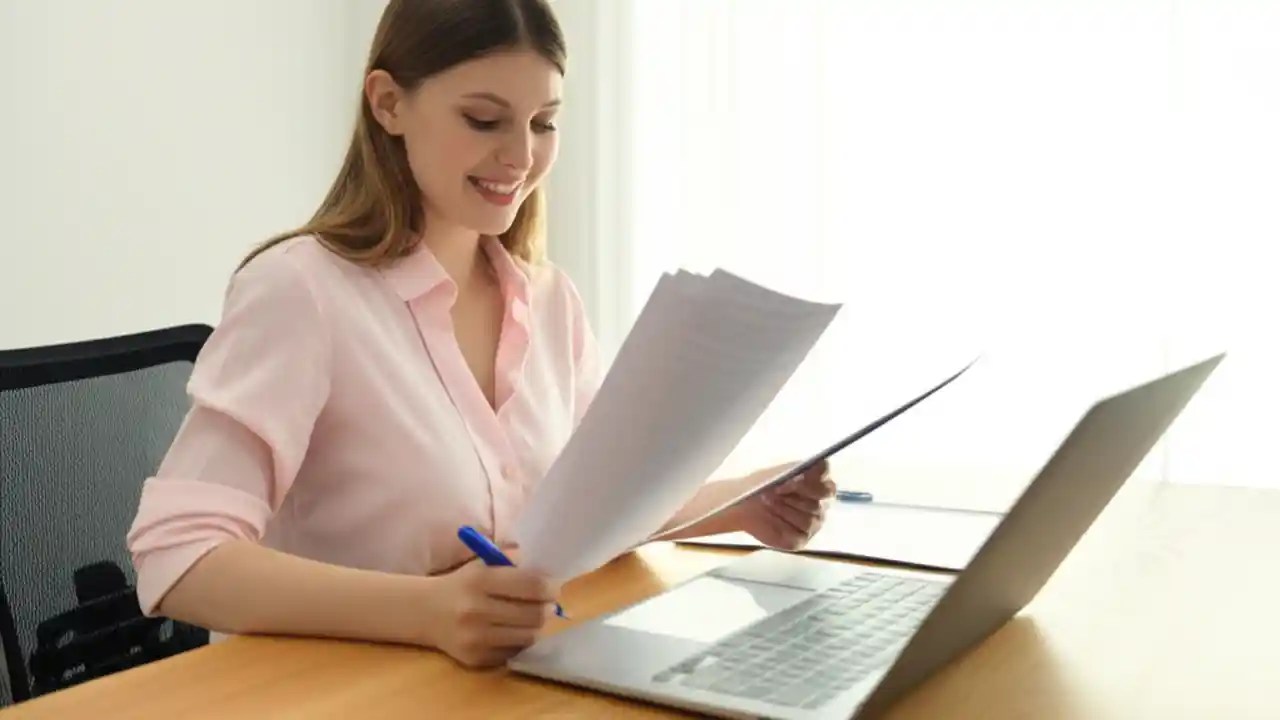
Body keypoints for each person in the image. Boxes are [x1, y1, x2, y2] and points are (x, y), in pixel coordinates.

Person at [126, 0, 838, 670]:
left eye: (543, 123)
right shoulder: (300, 291)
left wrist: (743, 500)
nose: (521, 157)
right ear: (388, 103)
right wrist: (429, 611)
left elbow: (587, 509)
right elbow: (180, 556)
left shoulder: (550, 299)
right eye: (484, 119)